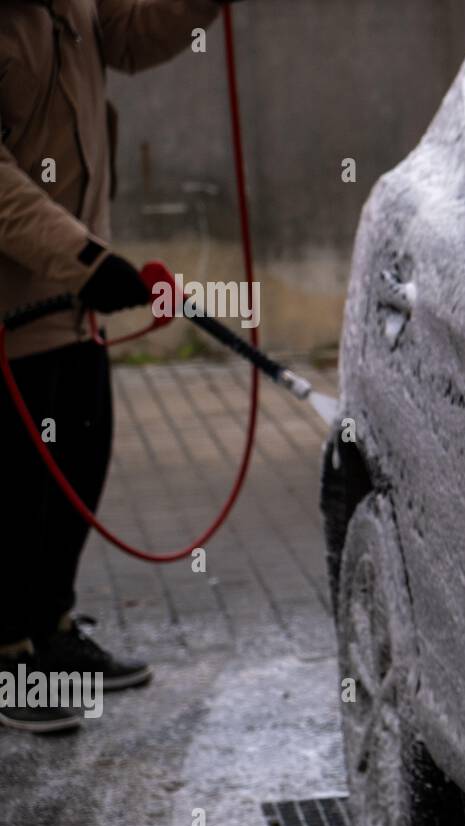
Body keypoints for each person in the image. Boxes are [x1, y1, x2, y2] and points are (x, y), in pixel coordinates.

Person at [0, 0, 239, 733]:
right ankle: (10, 660)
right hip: (18, 306)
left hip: (73, 298)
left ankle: (52, 628)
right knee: (16, 488)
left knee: (80, 456)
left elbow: (130, 38)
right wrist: (84, 259)